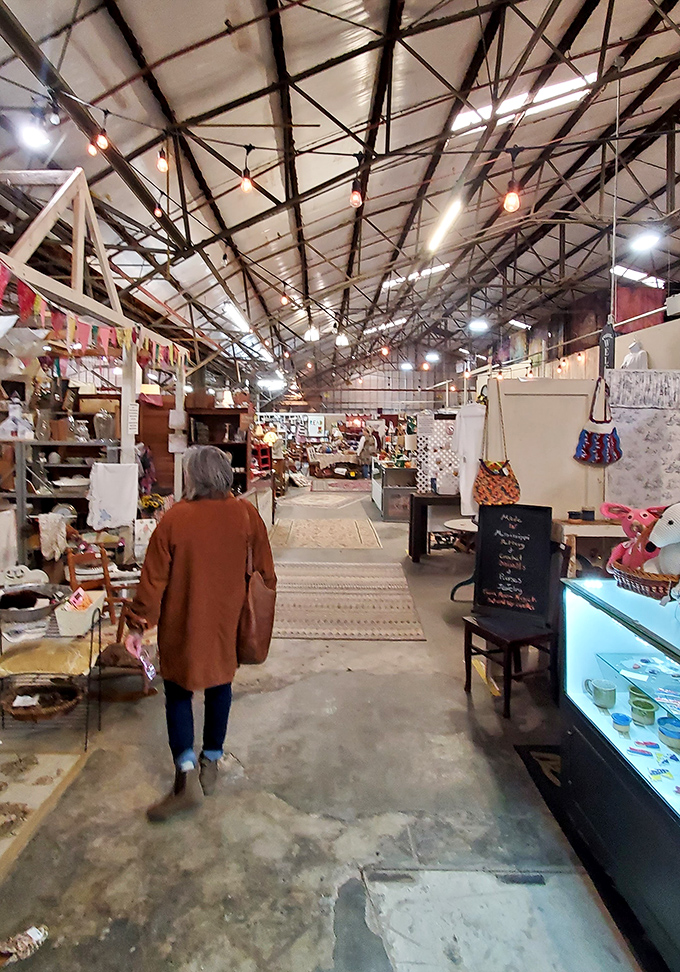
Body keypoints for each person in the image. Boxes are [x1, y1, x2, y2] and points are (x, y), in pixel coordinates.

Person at [127, 445, 276, 823]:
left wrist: (137, 625)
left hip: (182, 624)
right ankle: (212, 761)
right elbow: (267, 575)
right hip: (228, 623)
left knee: (177, 693)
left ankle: (185, 775)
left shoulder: (175, 520)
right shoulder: (247, 515)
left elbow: (153, 582)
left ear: (191, 477)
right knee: (220, 687)